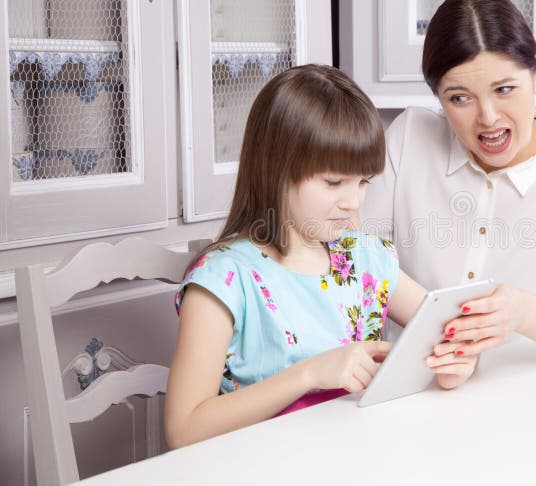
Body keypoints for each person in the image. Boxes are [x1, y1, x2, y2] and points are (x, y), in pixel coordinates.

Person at [164, 65, 476, 449]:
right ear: (277, 169)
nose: (354, 201)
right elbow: (184, 430)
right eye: (333, 182)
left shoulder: (365, 260)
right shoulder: (224, 280)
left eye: (363, 181)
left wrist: (458, 361)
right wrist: (309, 374)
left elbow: (450, 328)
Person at [361, 0, 536, 361]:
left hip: (528, 396)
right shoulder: (410, 137)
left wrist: (519, 311)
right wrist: (442, 334)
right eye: (460, 98)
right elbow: (357, 258)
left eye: (504, 90)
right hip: (413, 386)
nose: (487, 117)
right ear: (437, 95)